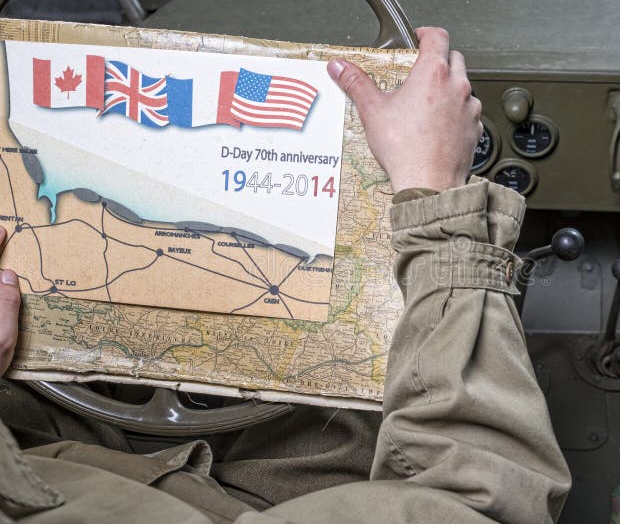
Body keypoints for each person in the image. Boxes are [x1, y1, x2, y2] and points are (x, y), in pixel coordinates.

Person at [0, 27, 570, 523]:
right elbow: (485, 504)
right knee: (354, 389)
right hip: (239, 499)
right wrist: (436, 189)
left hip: (47, 450)